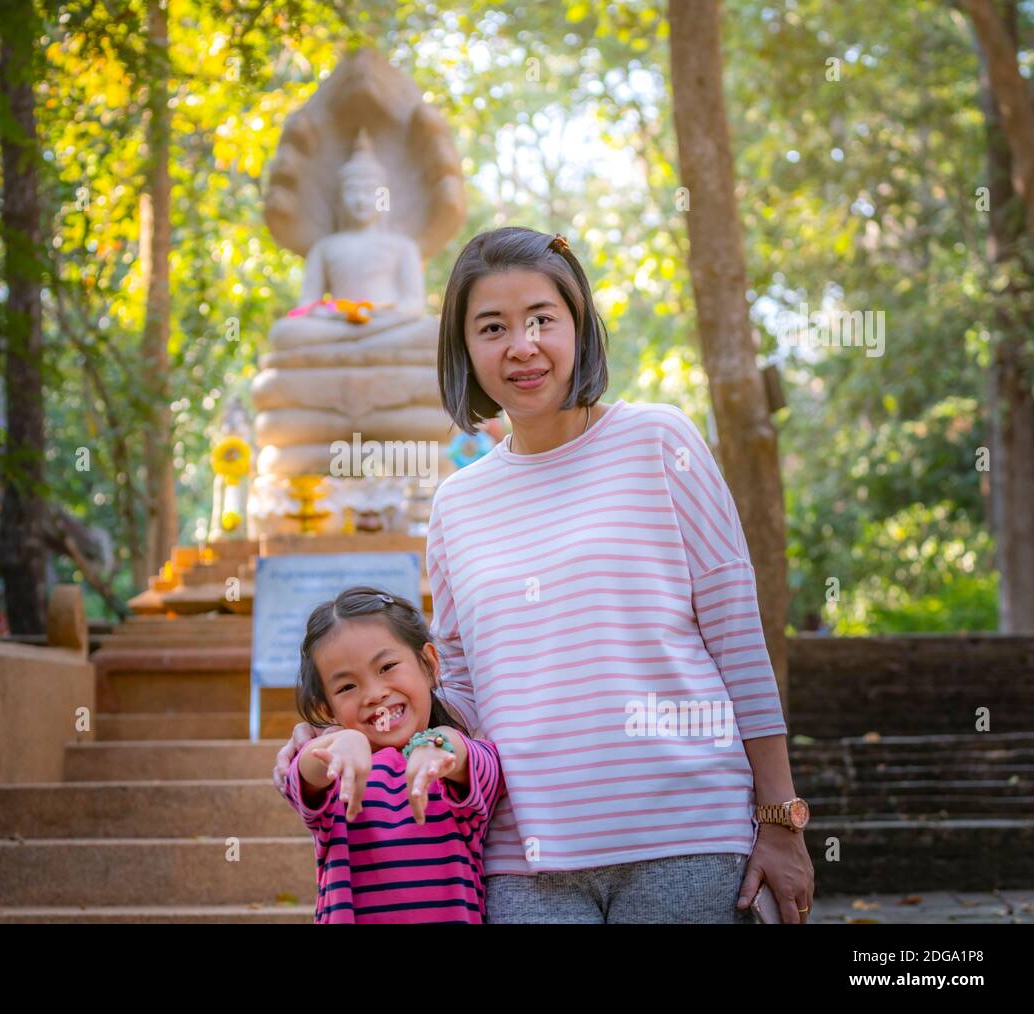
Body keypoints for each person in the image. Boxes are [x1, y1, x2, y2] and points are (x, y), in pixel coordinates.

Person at [275, 226, 815, 923]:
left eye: (540, 320)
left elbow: (738, 641)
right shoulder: (457, 503)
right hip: (524, 858)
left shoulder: (659, 440)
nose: (520, 346)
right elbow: (458, 686)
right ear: (465, 350)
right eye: (492, 327)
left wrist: (781, 818)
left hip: (688, 837)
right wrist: (339, 738)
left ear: (578, 325)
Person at [279, 585, 505, 923]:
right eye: (347, 687)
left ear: (429, 664)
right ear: (326, 708)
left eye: (387, 667)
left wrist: (435, 744)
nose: (374, 694)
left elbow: (468, 758)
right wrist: (337, 744)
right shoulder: (339, 773)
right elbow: (303, 774)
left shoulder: (450, 767)